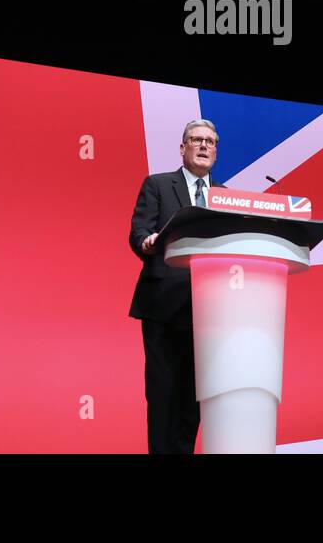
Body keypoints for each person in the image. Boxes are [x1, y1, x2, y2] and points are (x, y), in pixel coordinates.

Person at [127, 119, 226, 454]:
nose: (203, 146)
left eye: (210, 142)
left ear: (216, 151)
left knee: (193, 398)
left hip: (209, 312)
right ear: (182, 148)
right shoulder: (158, 184)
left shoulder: (226, 196)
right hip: (164, 307)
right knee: (163, 394)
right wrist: (148, 243)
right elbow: (138, 232)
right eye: (196, 140)